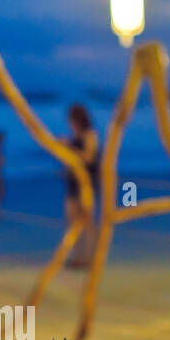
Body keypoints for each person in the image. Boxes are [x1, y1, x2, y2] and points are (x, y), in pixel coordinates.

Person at [64, 104, 99, 268]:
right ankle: (78, 257)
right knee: (73, 221)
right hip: (73, 181)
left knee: (87, 221)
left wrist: (70, 148)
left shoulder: (90, 135)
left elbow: (89, 158)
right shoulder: (75, 135)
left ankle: (91, 258)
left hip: (86, 183)